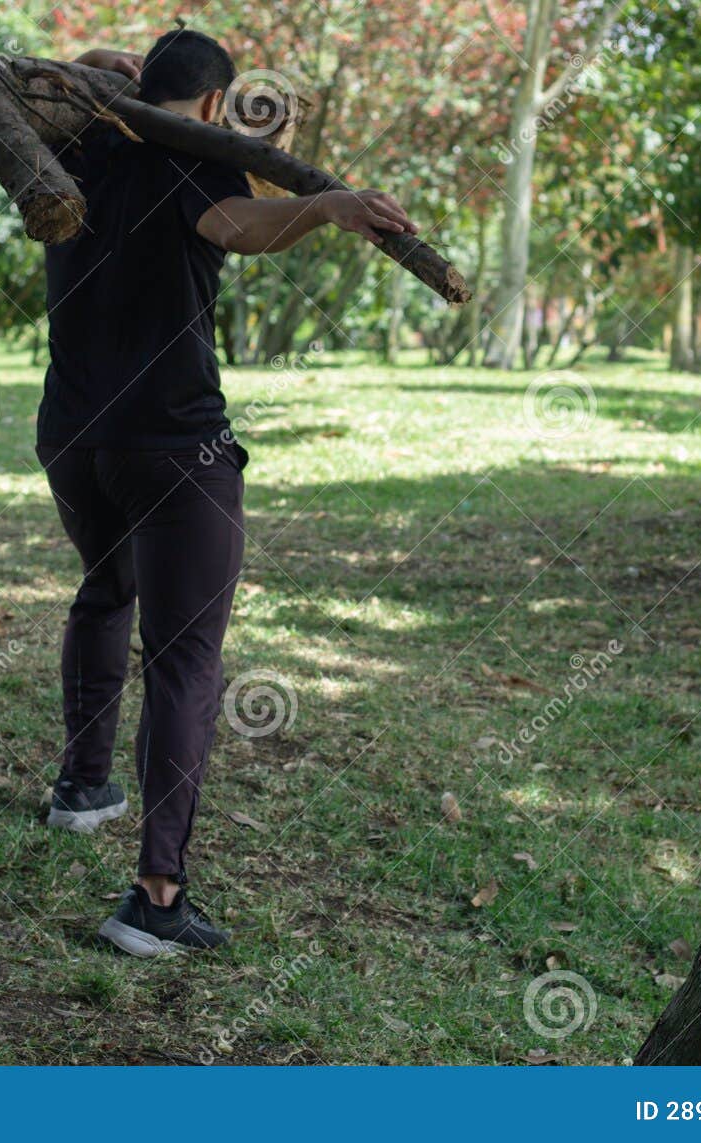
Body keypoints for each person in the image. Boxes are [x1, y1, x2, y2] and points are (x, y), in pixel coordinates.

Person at [37, 28, 417, 957]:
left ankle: (84, 788)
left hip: (75, 440)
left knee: (105, 589)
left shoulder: (80, 148)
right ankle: (155, 897)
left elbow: (45, 78)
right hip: (174, 449)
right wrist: (325, 206)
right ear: (215, 106)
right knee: (186, 661)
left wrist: (99, 60)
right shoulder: (198, 166)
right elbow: (239, 229)